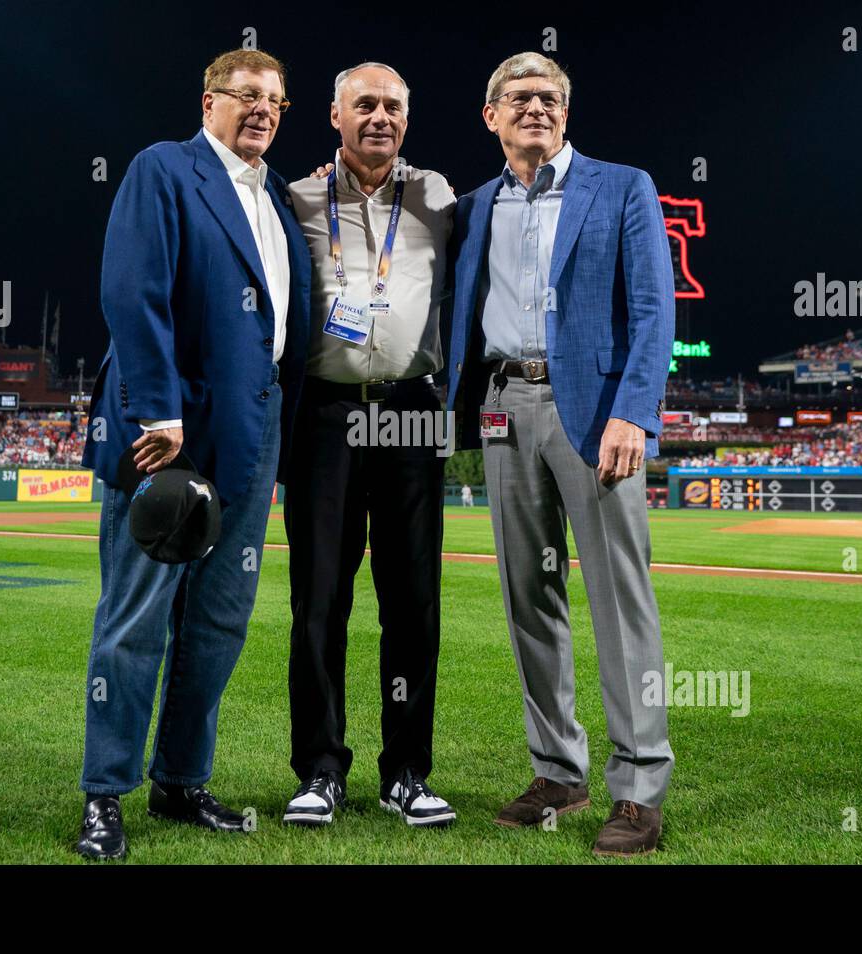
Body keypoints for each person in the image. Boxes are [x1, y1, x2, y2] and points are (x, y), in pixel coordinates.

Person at [74, 48, 310, 860]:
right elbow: (131, 292)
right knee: (135, 619)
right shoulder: (162, 169)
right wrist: (159, 409)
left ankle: (181, 781)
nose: (264, 111)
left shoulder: (276, 196)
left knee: (218, 622)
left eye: (276, 100)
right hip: (167, 435)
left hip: (252, 433)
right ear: (208, 98)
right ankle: (105, 794)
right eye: (248, 96)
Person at [443, 52, 676, 857]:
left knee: (620, 599)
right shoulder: (472, 207)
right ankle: (558, 772)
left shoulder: (622, 187)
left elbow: (653, 310)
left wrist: (634, 413)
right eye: (519, 97)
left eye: (550, 97)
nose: (536, 107)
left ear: (566, 113)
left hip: (595, 415)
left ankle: (639, 786)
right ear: (491, 115)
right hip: (504, 405)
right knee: (527, 597)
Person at [282, 62, 456, 828]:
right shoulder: (292, 200)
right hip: (324, 412)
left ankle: (407, 772)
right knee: (319, 599)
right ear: (334, 116)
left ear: (407, 120)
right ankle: (321, 769)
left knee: (414, 602)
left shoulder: (440, 199)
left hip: (413, 412)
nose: (379, 116)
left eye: (392, 106)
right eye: (365, 105)